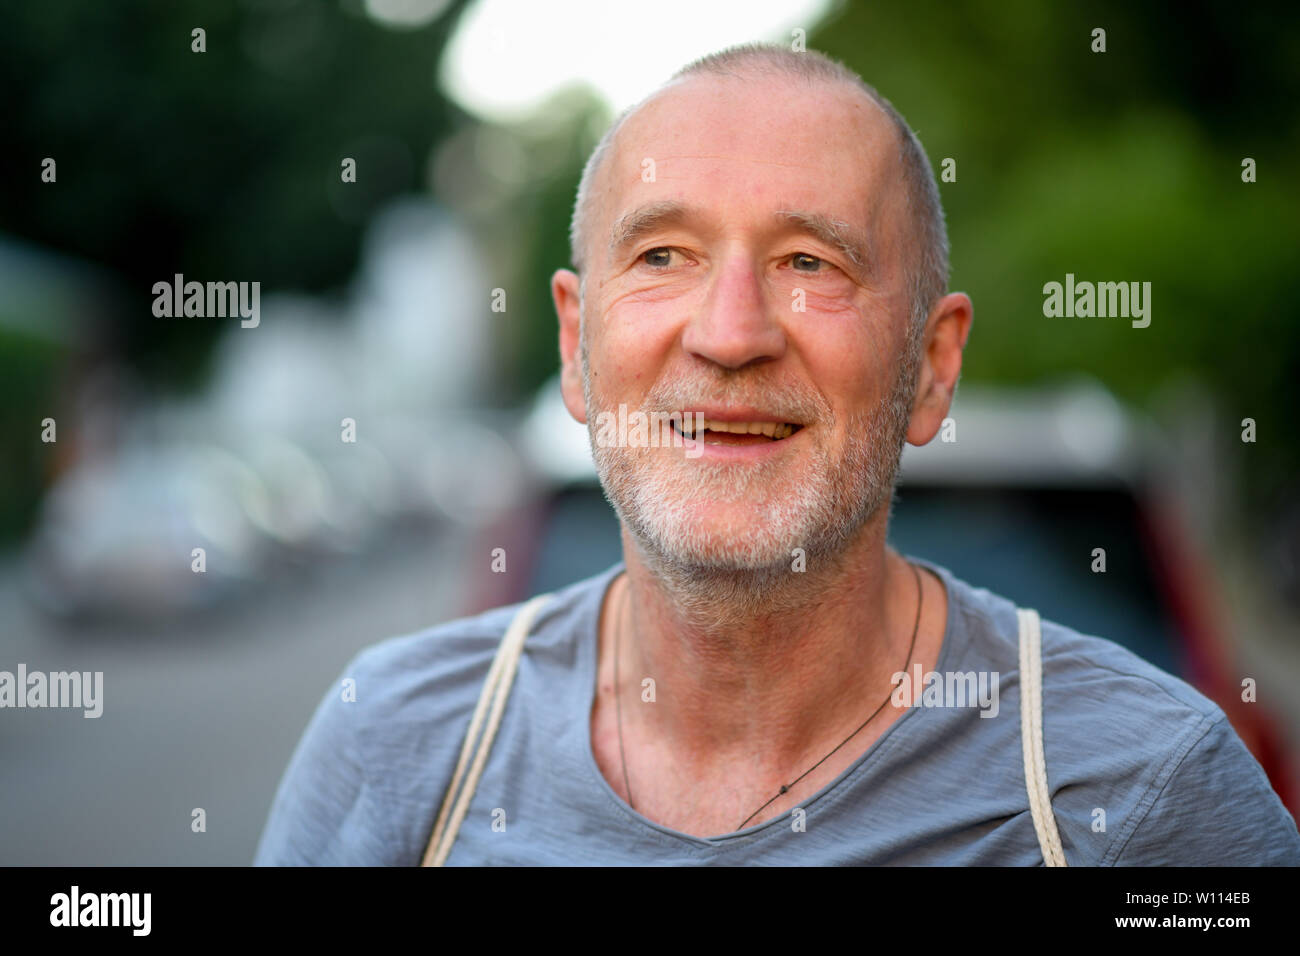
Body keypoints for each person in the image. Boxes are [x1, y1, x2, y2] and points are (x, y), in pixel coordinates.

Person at [254, 42, 1300, 865]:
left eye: (810, 261)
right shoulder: (396, 750)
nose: (731, 331)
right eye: (663, 255)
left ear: (932, 367)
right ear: (577, 345)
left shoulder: (1149, 787)